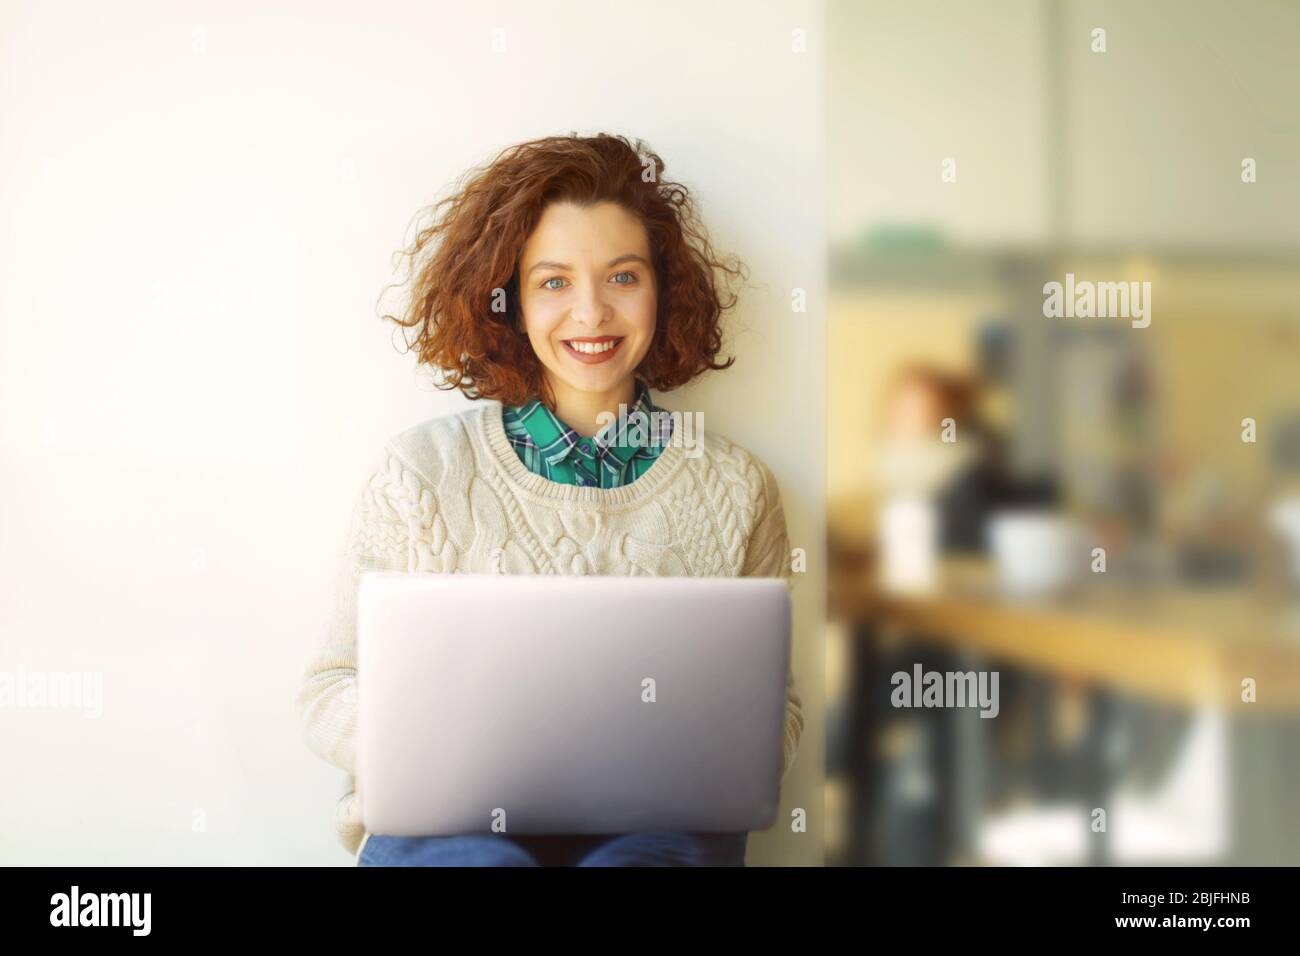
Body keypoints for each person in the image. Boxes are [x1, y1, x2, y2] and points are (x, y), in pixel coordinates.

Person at [295, 133, 804, 866]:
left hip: (656, 829)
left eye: (622, 277)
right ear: (509, 301)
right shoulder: (422, 471)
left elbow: (775, 711)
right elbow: (328, 688)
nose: (591, 313)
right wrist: (446, 752)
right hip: (450, 830)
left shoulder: (737, 488)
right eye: (554, 281)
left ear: (662, 289)